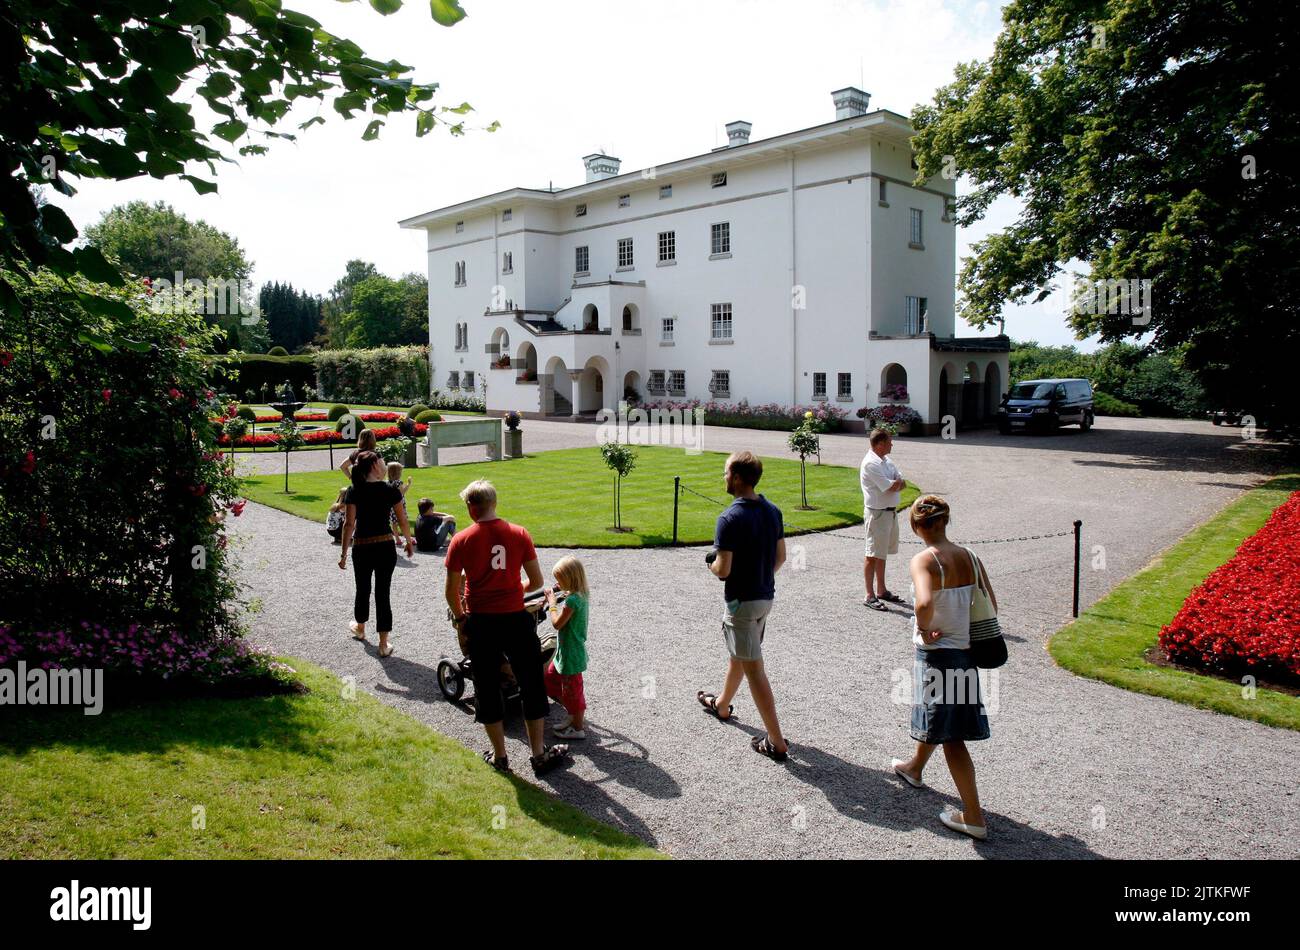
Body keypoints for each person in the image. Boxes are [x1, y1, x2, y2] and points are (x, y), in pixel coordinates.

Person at [443, 479, 569, 776]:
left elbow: (451, 591)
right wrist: (513, 587)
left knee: (486, 687)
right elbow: (537, 582)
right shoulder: (518, 533)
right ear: (494, 504)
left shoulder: (460, 540)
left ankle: (500, 757)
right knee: (530, 682)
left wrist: (461, 617)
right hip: (514, 618)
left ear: (471, 509)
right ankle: (538, 754)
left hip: (482, 621)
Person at [890, 495, 992, 841]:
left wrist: (924, 627)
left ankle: (974, 816)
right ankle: (914, 767)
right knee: (944, 721)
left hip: (938, 655)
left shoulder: (924, 560)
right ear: (945, 521)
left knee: (952, 736)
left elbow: (923, 603)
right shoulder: (971, 557)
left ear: (918, 526)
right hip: (965, 653)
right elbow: (990, 602)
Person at [696, 451, 790, 762]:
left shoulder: (729, 518)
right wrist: (760, 577)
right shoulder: (773, 511)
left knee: (755, 670)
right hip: (765, 599)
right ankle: (722, 705)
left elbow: (723, 569)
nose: (723, 477)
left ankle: (776, 741)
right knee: (742, 654)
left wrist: (711, 563)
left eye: (725, 473)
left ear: (737, 477)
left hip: (741, 603)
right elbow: (780, 558)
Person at [337, 450, 415, 658]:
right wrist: (408, 541)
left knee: (362, 588)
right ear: (373, 465)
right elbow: (403, 520)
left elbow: (349, 524)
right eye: (381, 461)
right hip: (384, 547)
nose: (384, 464)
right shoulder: (391, 490)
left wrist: (344, 553)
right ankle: (383, 643)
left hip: (362, 547)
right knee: (383, 593)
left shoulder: (355, 490)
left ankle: (360, 628)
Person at [860, 428, 907, 610]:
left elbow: (901, 481)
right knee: (872, 553)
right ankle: (869, 595)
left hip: (889, 512)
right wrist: (896, 484)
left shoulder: (886, 460)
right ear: (880, 444)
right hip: (877, 514)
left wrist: (896, 484)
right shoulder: (871, 464)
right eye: (889, 441)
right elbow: (891, 487)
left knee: (882, 552)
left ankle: (881, 590)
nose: (892, 444)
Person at [543, 555, 589, 740]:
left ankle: (578, 728)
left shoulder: (572, 601)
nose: (557, 583)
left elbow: (557, 624)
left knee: (574, 693)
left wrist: (552, 604)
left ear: (569, 579)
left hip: (571, 654)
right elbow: (568, 598)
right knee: (550, 679)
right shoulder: (580, 594)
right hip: (566, 651)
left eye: (559, 579)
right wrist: (554, 598)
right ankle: (571, 713)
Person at [386, 460, 412, 544]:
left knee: (394, 522)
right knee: (403, 520)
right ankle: (408, 538)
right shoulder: (398, 482)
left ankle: (397, 539)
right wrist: (408, 484)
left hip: (391, 505)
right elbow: (402, 492)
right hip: (399, 504)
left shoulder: (387, 483)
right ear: (397, 473)